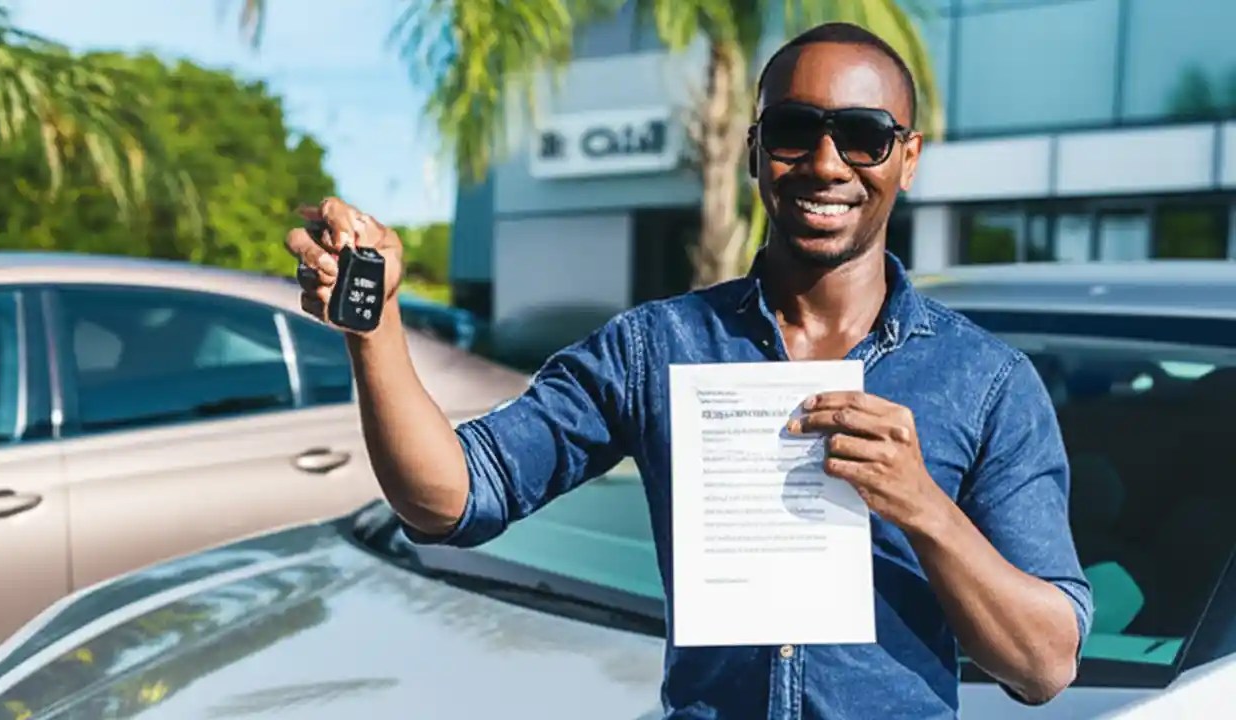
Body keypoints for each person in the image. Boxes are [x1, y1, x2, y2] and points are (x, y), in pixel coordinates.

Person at [285, 21, 1091, 720]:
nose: (825, 162)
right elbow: (452, 497)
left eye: (863, 135)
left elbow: (1044, 664)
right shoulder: (656, 347)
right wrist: (376, 326)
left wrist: (925, 509)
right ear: (752, 150)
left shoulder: (987, 382)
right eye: (793, 129)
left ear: (906, 159)